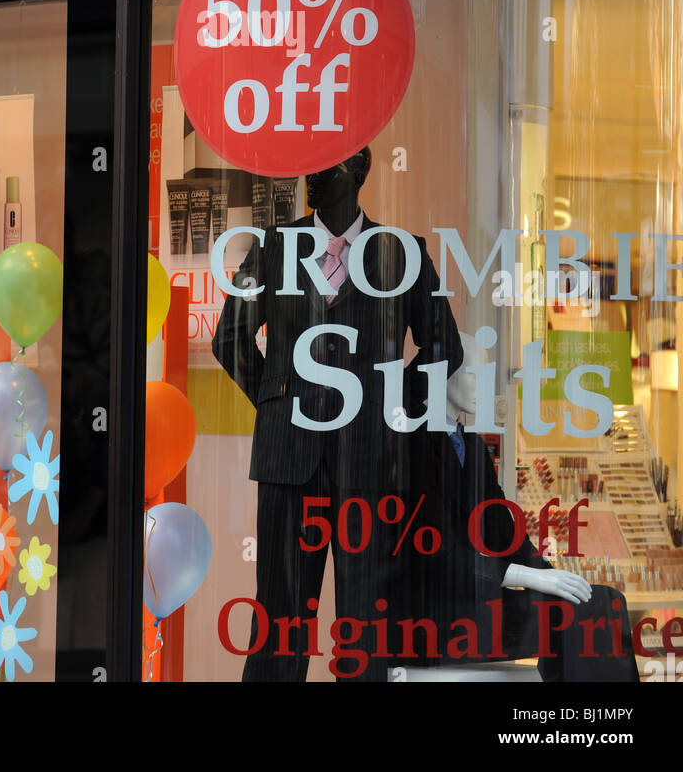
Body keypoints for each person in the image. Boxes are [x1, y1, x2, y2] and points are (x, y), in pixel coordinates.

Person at [211, 147, 464, 681]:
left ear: (357, 175)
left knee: (366, 625)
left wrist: (388, 403)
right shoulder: (274, 248)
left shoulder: (402, 254)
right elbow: (229, 337)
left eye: (327, 167)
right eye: (311, 166)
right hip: (288, 461)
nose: (313, 176)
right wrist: (278, 399)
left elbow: (447, 349)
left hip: (369, 461)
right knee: (279, 623)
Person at [399, 333, 639, 681]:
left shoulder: (471, 447)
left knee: (602, 601)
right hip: (436, 614)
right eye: (473, 373)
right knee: (589, 613)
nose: (483, 384)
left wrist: (552, 574)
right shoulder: (412, 444)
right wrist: (533, 577)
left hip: (477, 599)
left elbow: (504, 530)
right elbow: (438, 550)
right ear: (442, 375)